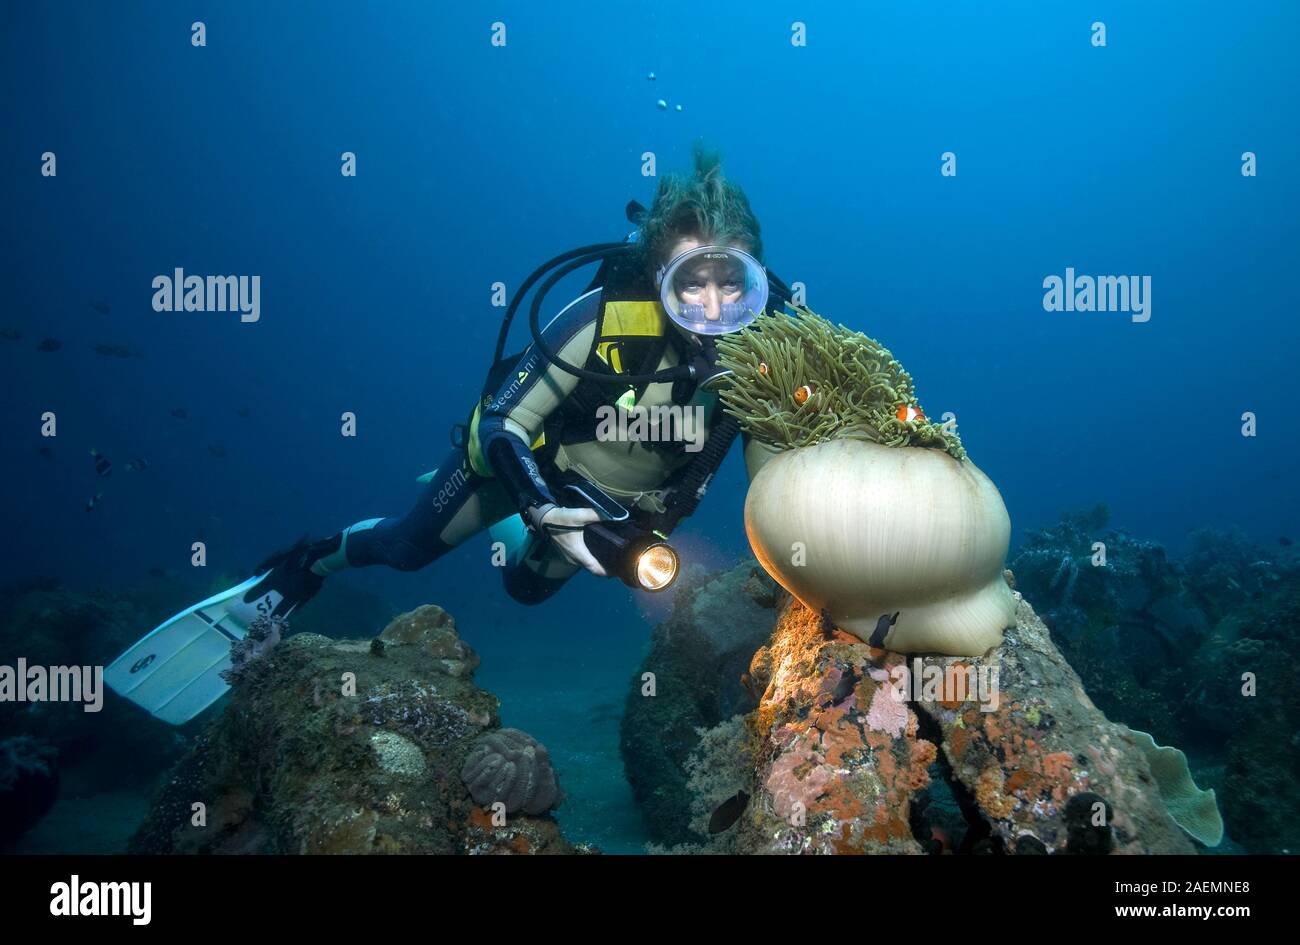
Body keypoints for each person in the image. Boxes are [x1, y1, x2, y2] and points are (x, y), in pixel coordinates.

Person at [106, 147, 788, 723]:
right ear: (657, 278)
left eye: (734, 284)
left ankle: (511, 534)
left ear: (759, 276)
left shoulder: (776, 351)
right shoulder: (601, 318)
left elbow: (788, 452)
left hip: (621, 508)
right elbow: (504, 421)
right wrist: (541, 505)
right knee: (406, 549)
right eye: (688, 285)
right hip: (520, 469)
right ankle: (306, 563)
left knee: (524, 590)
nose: (713, 309)